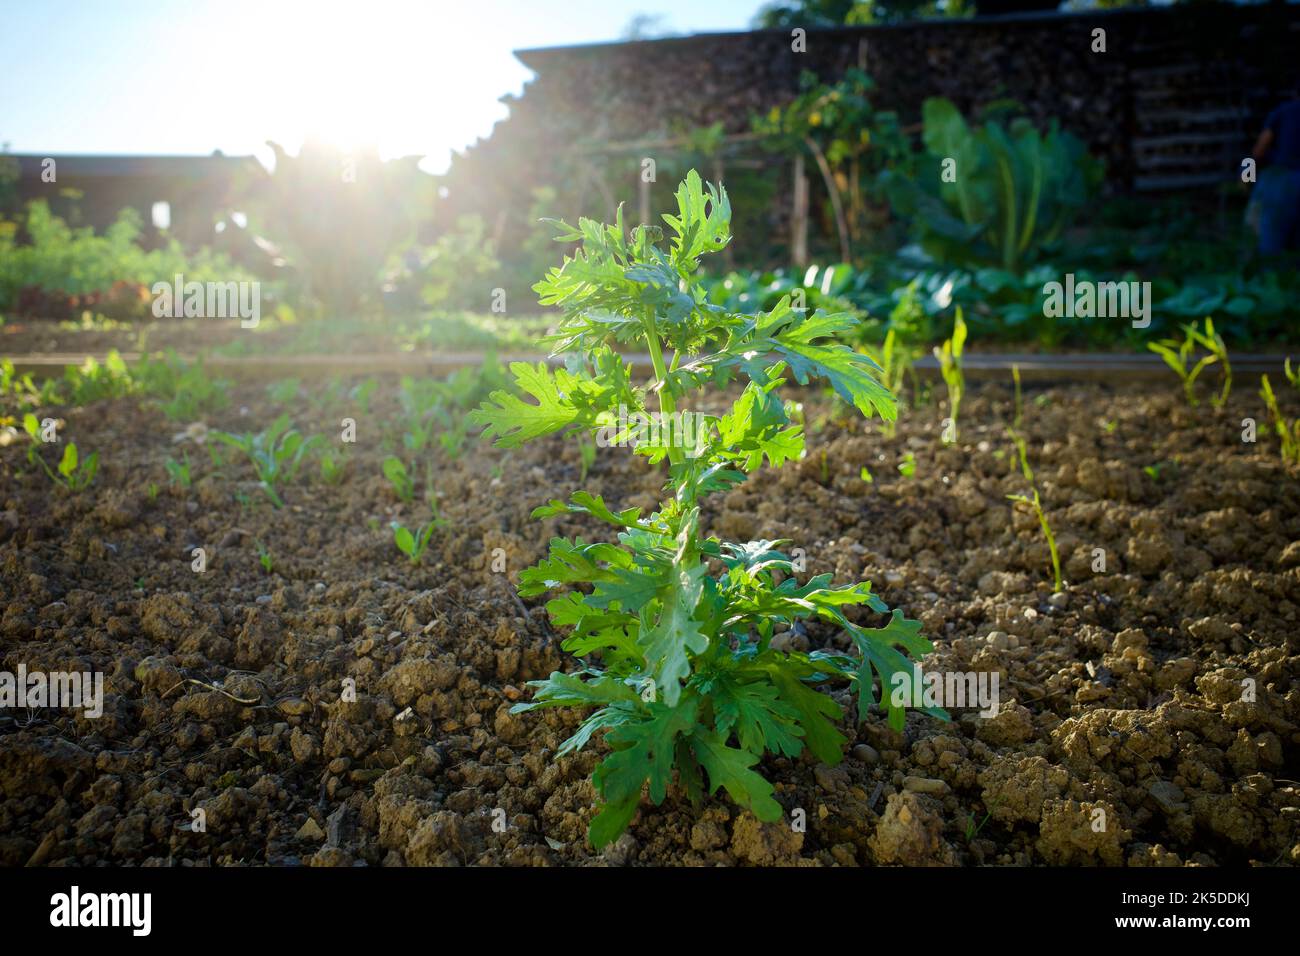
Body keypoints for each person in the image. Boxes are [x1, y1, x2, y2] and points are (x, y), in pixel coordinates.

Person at [1251, 90, 1300, 256]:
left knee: (1267, 240)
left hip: (1281, 179)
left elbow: (1258, 152)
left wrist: (1245, 178)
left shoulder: (1283, 111)